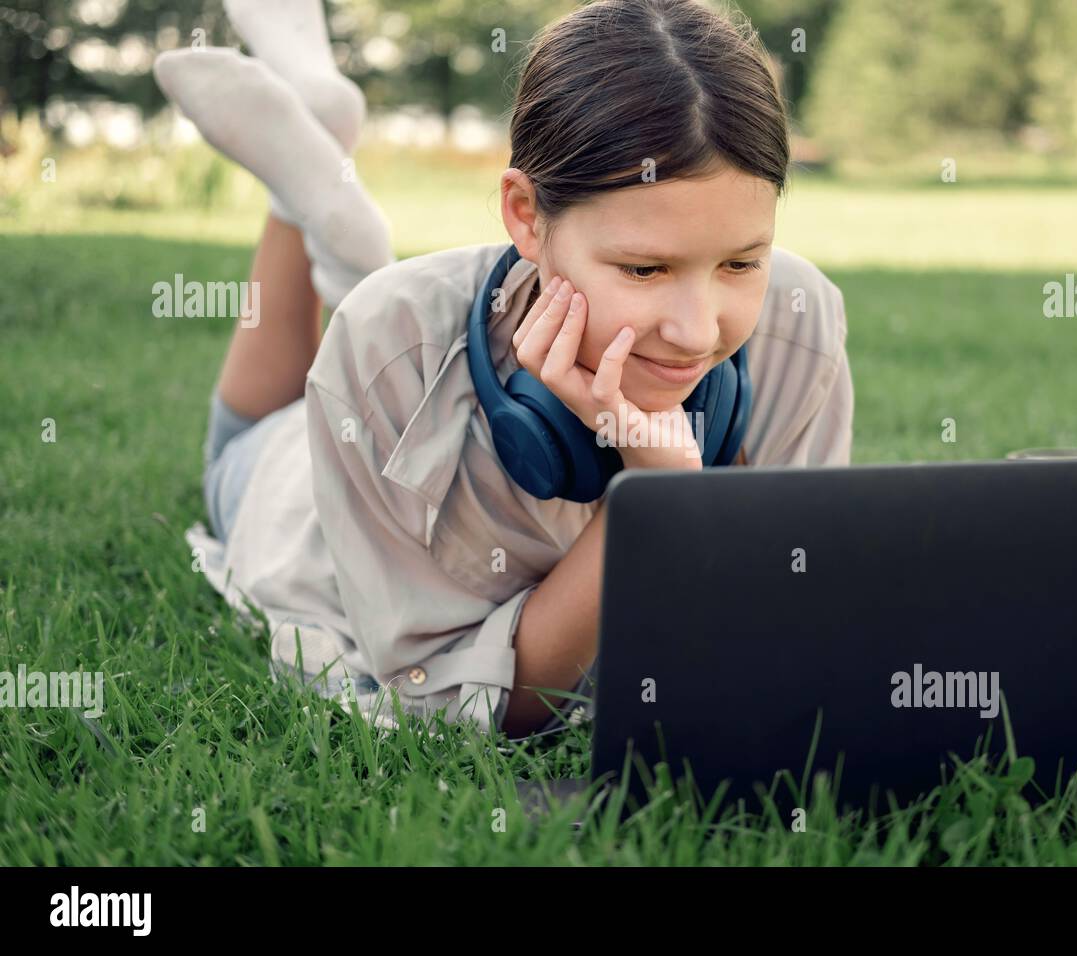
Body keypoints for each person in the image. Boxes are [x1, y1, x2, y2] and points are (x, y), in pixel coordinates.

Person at [156, 0, 854, 742]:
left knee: (393, 326)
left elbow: (778, 629)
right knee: (242, 444)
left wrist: (688, 494)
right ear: (524, 214)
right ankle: (310, 196)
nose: (695, 331)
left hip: (408, 364)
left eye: (742, 262)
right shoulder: (384, 348)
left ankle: (333, 200)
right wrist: (647, 501)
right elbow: (459, 702)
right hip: (307, 483)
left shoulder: (796, 319)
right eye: (645, 269)